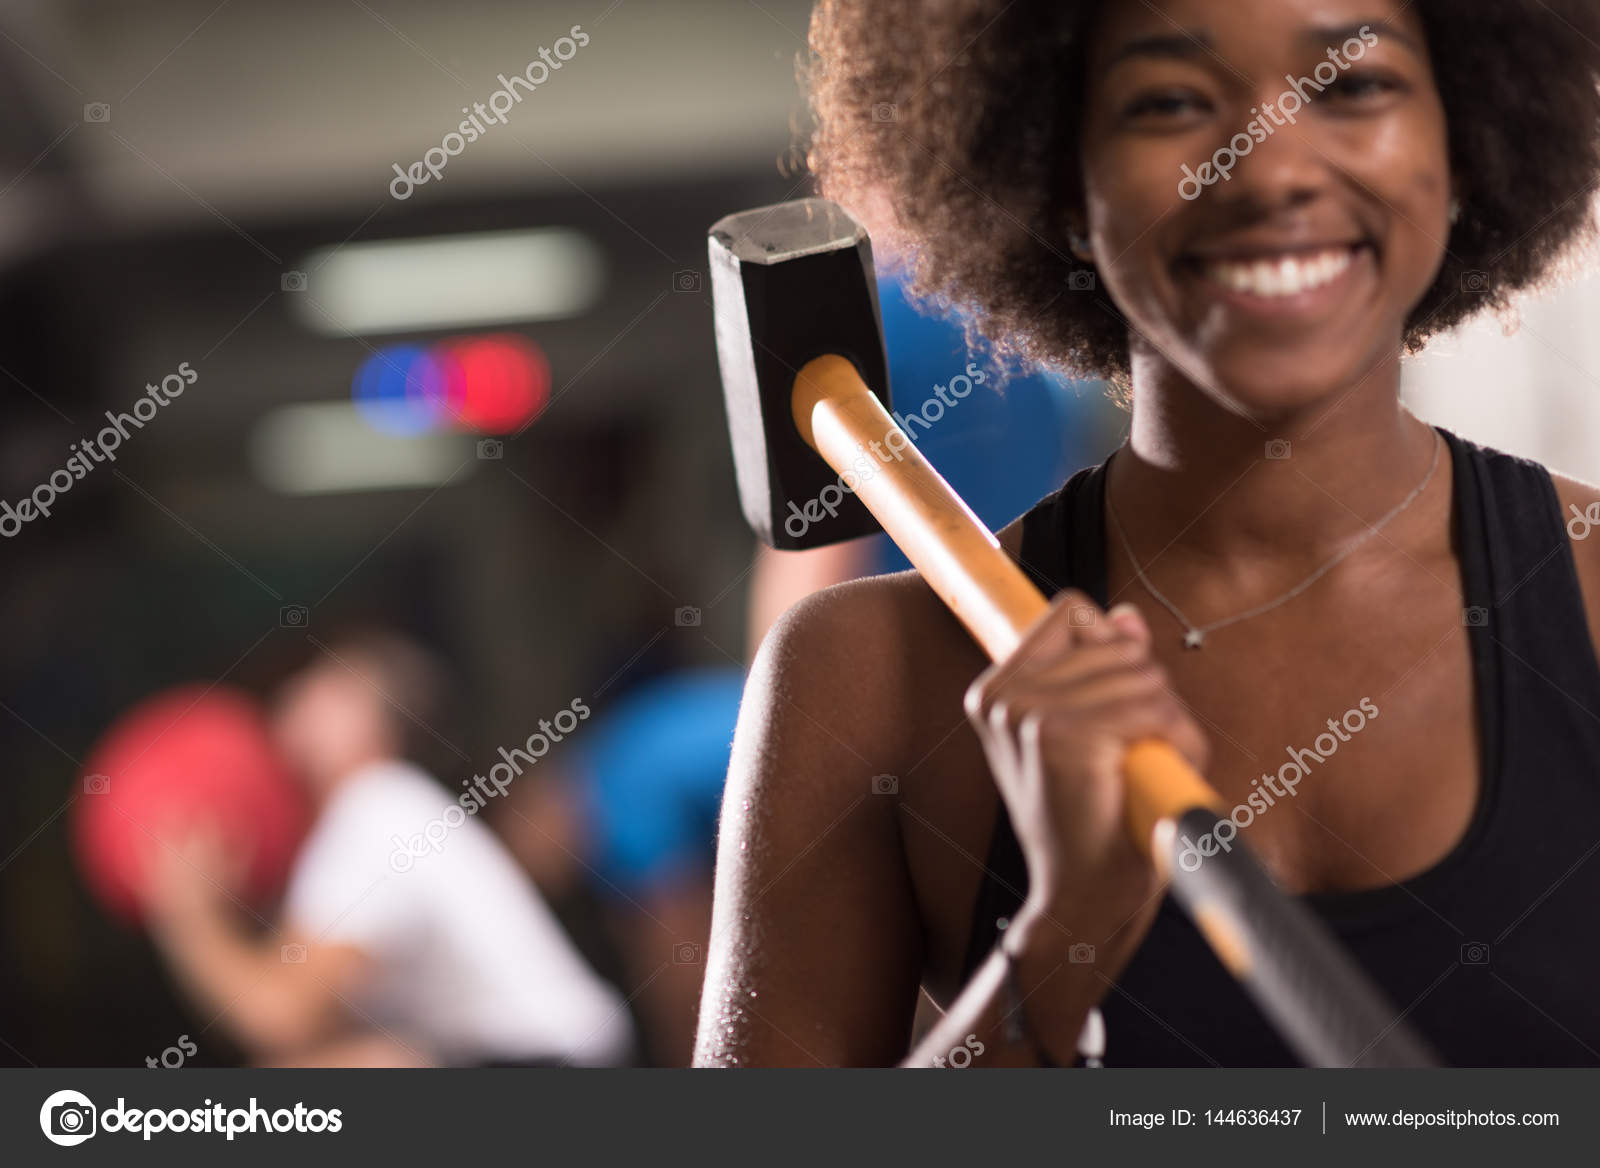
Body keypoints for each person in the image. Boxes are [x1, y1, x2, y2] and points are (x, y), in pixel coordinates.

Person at [696, 0, 1600, 1067]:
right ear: (1059, 181)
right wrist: (1059, 937)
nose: (1270, 170)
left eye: (1352, 86)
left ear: (1462, 144)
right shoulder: (867, 682)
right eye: (1168, 100)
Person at [141, 630, 634, 1067]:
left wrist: (188, 915)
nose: (294, 696)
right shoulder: (380, 815)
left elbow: (282, 1015)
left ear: (374, 726)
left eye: (328, 688)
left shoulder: (377, 807)